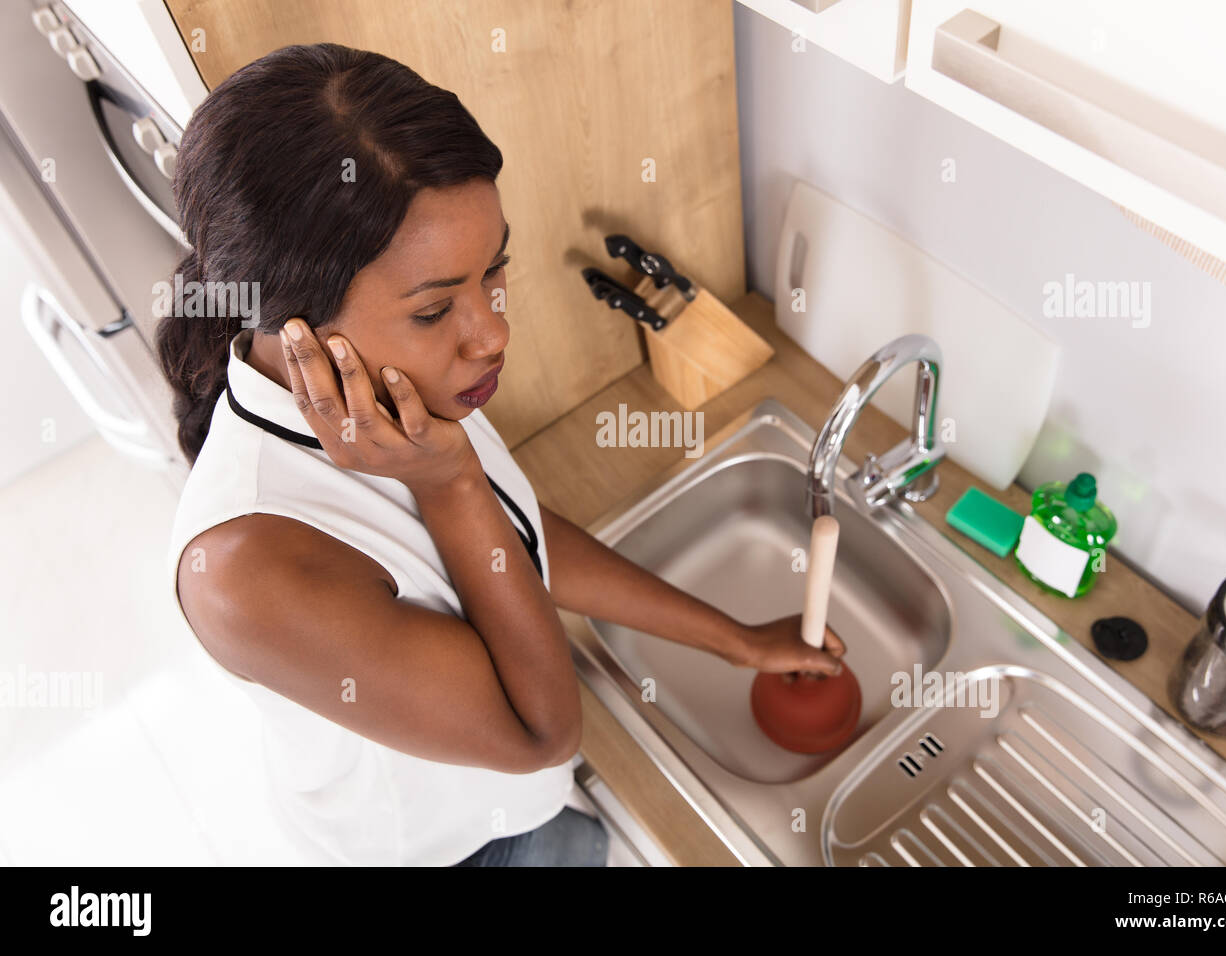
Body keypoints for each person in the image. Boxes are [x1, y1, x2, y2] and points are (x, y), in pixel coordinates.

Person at [157, 42, 844, 867]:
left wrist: (731, 639)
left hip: (508, 805)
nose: (493, 332)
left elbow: (512, 532)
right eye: (435, 307)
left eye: (495, 272)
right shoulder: (246, 572)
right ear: (295, 326)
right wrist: (445, 482)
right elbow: (540, 733)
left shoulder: (388, 390)